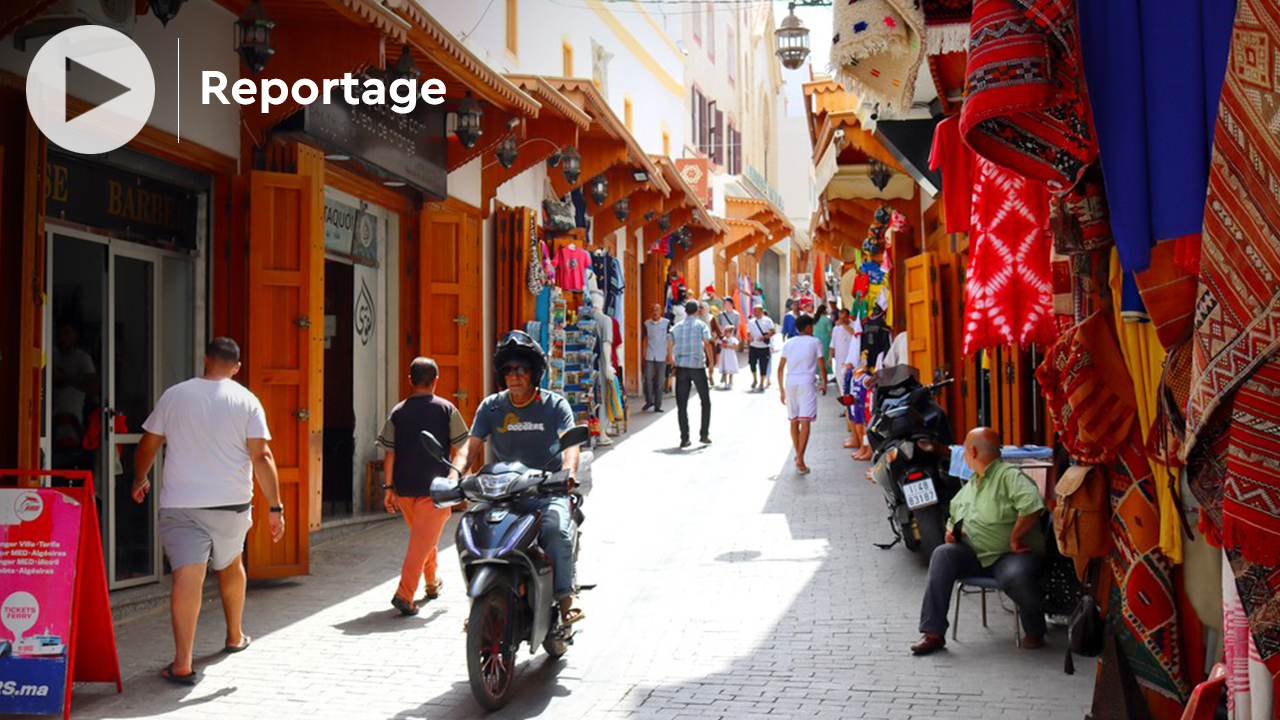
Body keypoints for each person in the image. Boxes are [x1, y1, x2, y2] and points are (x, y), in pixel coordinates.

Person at [131, 337, 285, 685]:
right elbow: (261, 457)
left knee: (188, 576)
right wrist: (275, 507)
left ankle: (182, 663)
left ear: (205, 359)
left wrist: (139, 479)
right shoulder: (247, 400)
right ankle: (234, 636)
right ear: (237, 367)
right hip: (231, 504)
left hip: (181, 504)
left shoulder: (175, 395)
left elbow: (148, 445)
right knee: (231, 565)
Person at [451, 331, 585, 625]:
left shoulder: (555, 406)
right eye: (508, 370)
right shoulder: (492, 406)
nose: (514, 375)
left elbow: (570, 445)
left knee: (556, 531)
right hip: (503, 494)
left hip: (546, 490)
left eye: (521, 369)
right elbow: (469, 449)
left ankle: (566, 595)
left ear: (534, 373)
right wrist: (452, 477)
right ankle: (479, 602)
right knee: (470, 532)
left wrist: (568, 474)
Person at [911, 428, 1047, 656]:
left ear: (971, 451)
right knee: (943, 554)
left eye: (964, 448)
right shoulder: (970, 486)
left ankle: (1035, 630)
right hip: (975, 554)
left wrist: (1015, 537)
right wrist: (950, 533)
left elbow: (1032, 505)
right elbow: (953, 520)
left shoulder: (1008, 475)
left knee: (1016, 575)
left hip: (1010, 555)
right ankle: (933, 633)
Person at [378, 357, 469, 616]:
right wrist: (459, 478)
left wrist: (388, 488)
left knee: (423, 540)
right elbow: (463, 446)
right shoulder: (446, 409)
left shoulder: (398, 412)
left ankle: (431, 583)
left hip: (404, 488)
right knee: (420, 544)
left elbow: (389, 453)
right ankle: (404, 595)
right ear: (436, 381)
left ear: (410, 381)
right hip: (437, 490)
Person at [777, 315, 827, 475]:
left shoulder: (789, 343)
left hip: (790, 383)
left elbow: (780, 368)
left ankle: (799, 458)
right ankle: (800, 457)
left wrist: (782, 390)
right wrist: (824, 383)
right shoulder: (815, 342)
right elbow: (821, 365)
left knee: (794, 421)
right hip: (807, 382)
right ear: (807, 327)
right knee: (805, 421)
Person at [668, 299, 715, 448]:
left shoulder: (676, 327)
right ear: (697, 311)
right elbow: (707, 343)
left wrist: (673, 362)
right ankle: (704, 434)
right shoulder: (701, 325)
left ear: (685, 311)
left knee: (681, 404)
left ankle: (684, 438)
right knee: (705, 401)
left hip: (681, 367)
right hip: (697, 367)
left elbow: (669, 345)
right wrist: (711, 363)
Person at [642, 303, 671, 412]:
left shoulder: (666, 323)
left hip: (662, 354)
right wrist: (643, 354)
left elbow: (669, 340)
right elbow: (645, 339)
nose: (655, 312)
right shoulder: (646, 324)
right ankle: (649, 401)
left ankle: (658, 405)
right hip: (650, 353)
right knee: (648, 378)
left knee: (660, 381)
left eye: (657, 310)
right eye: (653, 310)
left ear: (661, 311)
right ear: (651, 312)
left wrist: (669, 354)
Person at [747, 305, 776, 392]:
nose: (754, 312)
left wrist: (765, 337)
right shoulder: (751, 321)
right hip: (753, 346)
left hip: (764, 347)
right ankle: (755, 379)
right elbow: (748, 332)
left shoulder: (767, 320)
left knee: (763, 365)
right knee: (752, 364)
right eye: (753, 310)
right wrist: (749, 338)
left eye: (756, 310)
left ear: (761, 311)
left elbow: (772, 331)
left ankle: (762, 382)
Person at [812, 306, 834, 384]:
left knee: (817, 358)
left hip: (815, 340)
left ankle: (818, 375)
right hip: (825, 341)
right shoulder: (827, 320)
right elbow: (831, 331)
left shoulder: (815, 319)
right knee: (824, 358)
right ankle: (823, 376)